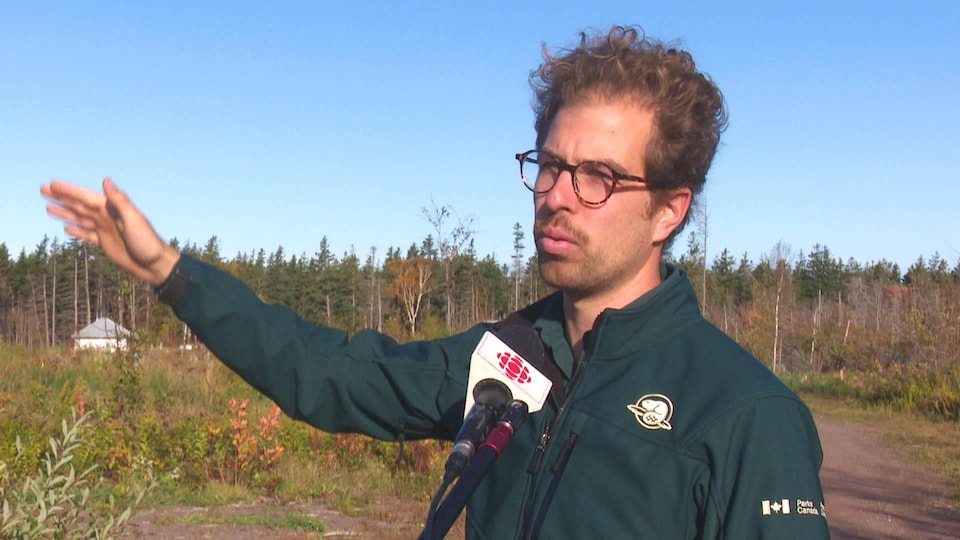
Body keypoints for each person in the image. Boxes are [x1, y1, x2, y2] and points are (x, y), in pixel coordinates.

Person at [42, 25, 829, 539]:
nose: (556, 194)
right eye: (550, 165)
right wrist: (172, 276)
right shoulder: (511, 357)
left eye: (596, 176)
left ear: (668, 210)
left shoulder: (745, 416)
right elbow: (334, 376)